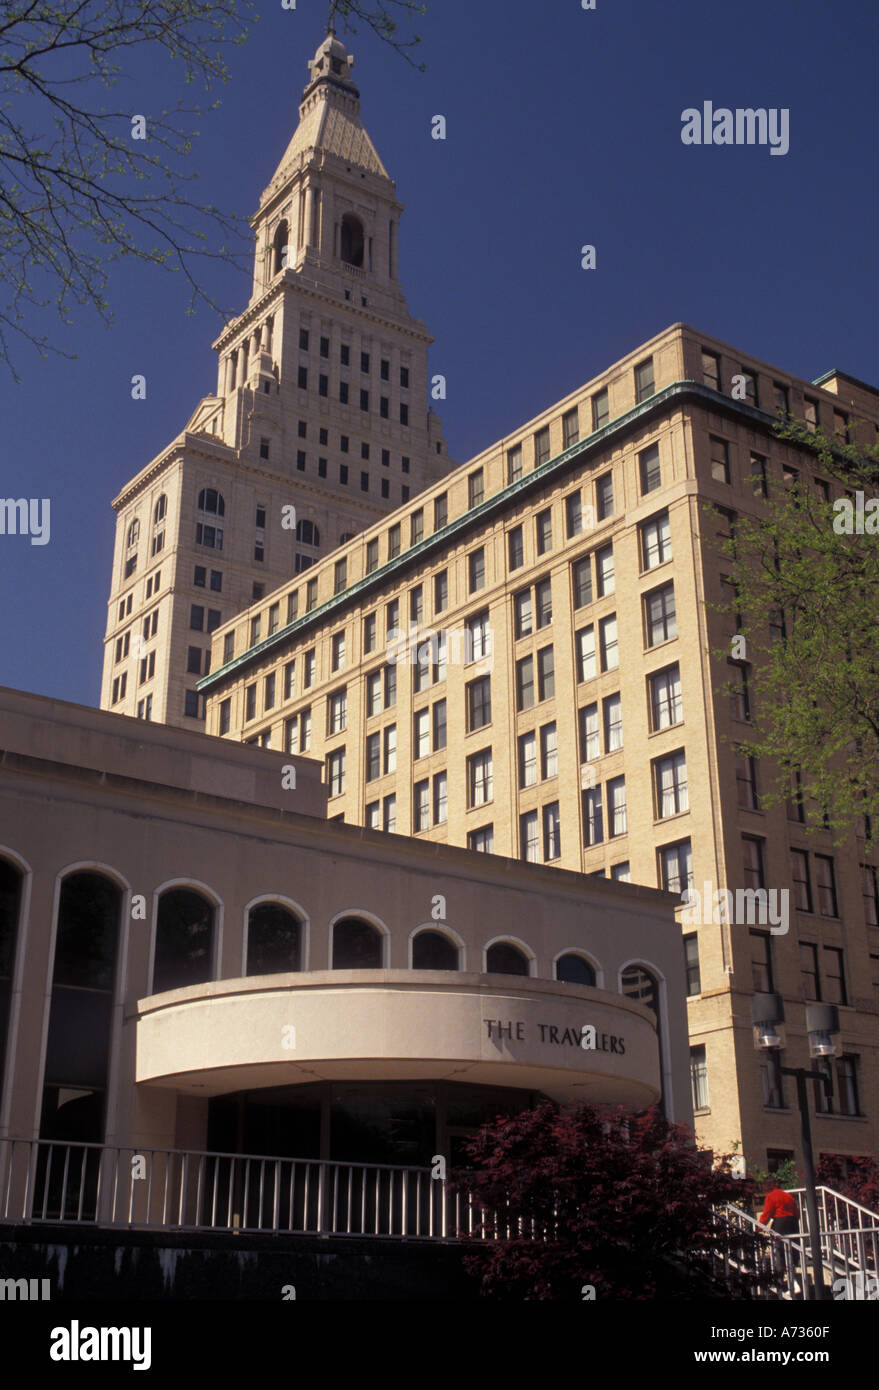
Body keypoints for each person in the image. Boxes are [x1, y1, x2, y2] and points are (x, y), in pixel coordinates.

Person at [758, 1184, 800, 1287]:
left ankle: (780, 1281)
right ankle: (793, 1280)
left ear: (767, 1188)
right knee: (792, 1251)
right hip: (793, 1223)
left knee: (779, 1252)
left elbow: (766, 1214)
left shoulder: (771, 1196)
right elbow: (797, 1213)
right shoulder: (788, 1196)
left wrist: (758, 1228)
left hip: (781, 1224)